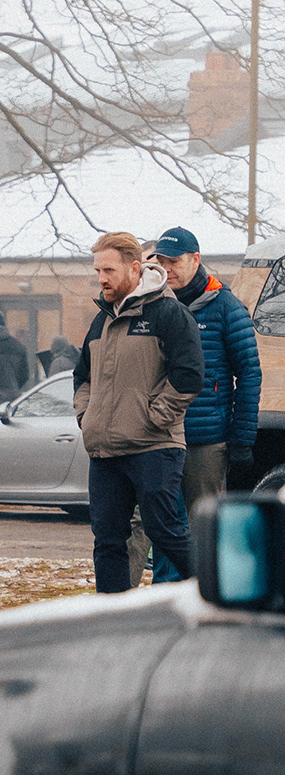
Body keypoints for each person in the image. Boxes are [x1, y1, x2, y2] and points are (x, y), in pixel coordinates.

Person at [72, 232, 204, 595]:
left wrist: (154, 418)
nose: (101, 278)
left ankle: (217, 596)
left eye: (109, 269)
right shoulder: (101, 320)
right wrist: (88, 417)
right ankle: (110, 617)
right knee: (108, 541)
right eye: (98, 270)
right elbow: (81, 377)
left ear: (134, 268)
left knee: (166, 532)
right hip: (105, 452)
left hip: (154, 448)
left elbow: (189, 376)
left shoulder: (168, 314)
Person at [146, 226, 261, 582]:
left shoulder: (225, 307)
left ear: (196, 259)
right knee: (165, 521)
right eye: (162, 262)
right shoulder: (155, 305)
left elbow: (249, 374)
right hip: (160, 434)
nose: (169, 269)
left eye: (175, 261)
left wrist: (241, 438)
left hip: (205, 439)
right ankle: (165, 593)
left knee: (203, 521)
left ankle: (208, 589)